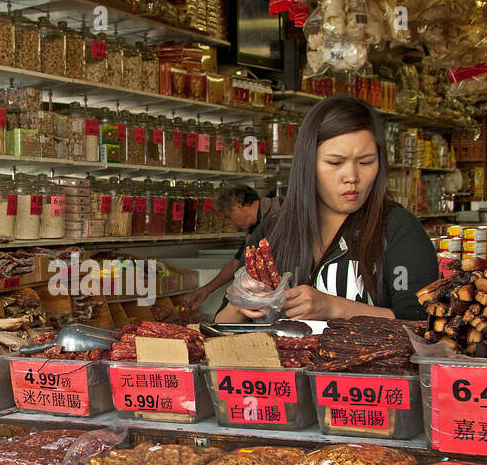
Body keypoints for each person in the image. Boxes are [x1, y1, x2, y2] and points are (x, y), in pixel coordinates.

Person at [215, 95, 438, 323]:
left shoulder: (398, 229)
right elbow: (220, 324)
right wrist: (240, 301)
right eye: (335, 163)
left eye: (366, 162)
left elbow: (421, 324)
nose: (352, 177)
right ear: (308, 164)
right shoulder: (273, 233)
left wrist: (336, 308)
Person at [186, 185, 280, 309]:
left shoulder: (280, 210)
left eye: (228, 217)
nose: (232, 223)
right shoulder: (253, 230)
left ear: (238, 205)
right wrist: (206, 290)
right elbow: (235, 265)